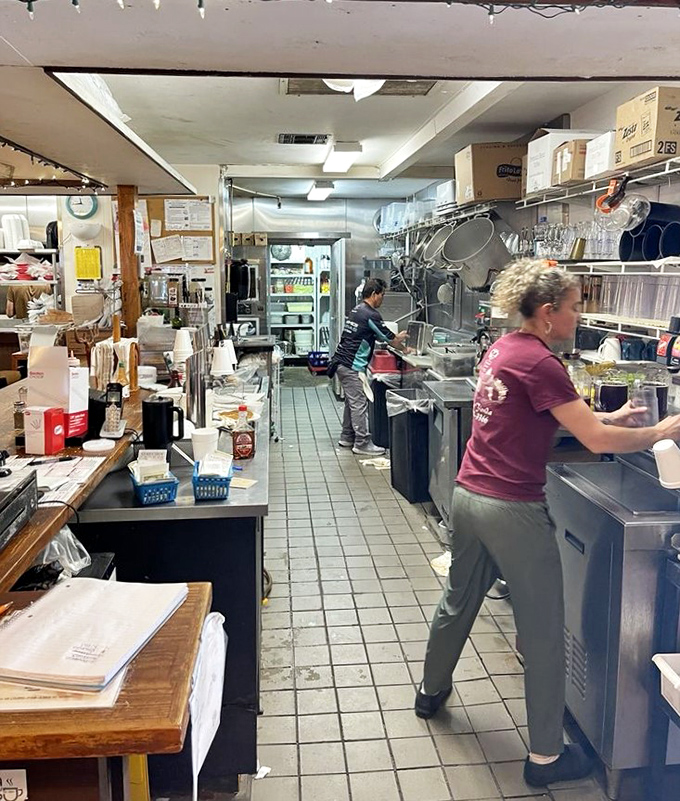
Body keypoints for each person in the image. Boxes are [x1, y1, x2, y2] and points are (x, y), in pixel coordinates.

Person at [416, 258, 680, 788]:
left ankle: (430, 691)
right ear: (546, 312)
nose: (579, 316)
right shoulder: (541, 362)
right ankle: (544, 758)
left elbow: (544, 415)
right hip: (512, 507)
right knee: (541, 633)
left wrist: (609, 416)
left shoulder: (504, 348)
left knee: (459, 598)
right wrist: (656, 432)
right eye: (575, 307)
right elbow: (596, 443)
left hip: (471, 494)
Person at [328, 277, 407, 455]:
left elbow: (376, 335)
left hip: (341, 362)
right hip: (351, 365)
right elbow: (389, 339)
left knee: (351, 401)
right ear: (374, 294)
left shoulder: (357, 310)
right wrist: (405, 347)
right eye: (382, 295)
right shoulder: (370, 314)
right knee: (358, 403)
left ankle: (347, 437)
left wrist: (393, 338)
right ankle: (362, 443)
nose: (383, 299)